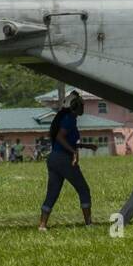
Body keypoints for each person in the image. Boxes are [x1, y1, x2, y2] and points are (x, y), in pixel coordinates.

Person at [38, 90, 96, 229]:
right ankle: (88, 224)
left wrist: (85, 146)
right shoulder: (69, 119)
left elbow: (65, 141)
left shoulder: (66, 119)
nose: (83, 107)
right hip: (64, 159)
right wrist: (73, 152)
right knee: (83, 189)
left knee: (52, 193)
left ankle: (42, 225)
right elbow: (60, 137)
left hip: (54, 159)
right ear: (75, 106)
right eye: (81, 104)